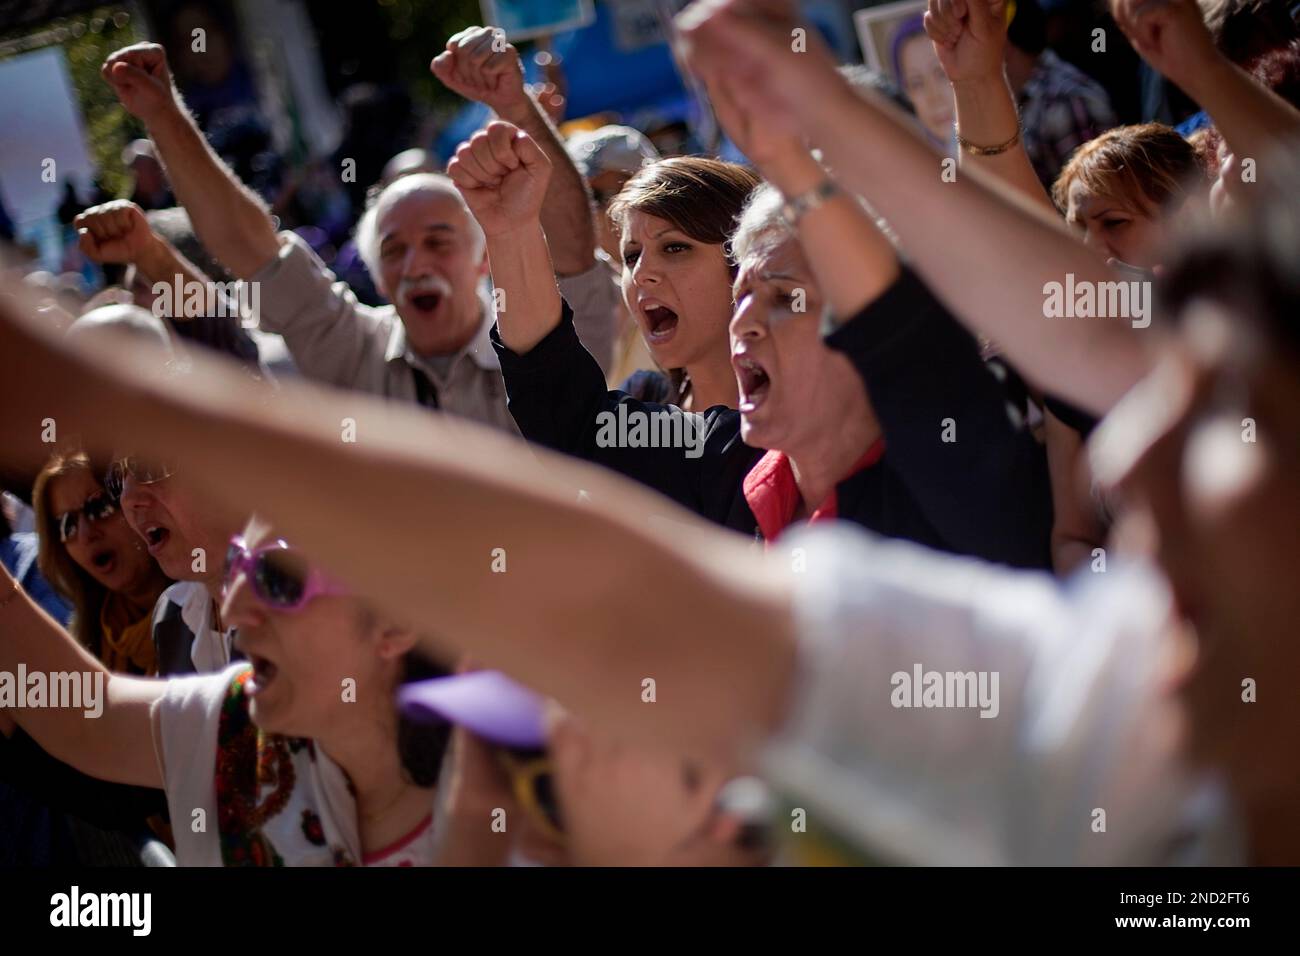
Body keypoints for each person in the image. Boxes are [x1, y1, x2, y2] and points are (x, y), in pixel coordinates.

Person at [98, 40, 613, 426]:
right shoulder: (353, 351)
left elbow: (574, 255)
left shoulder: (546, 346)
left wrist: (517, 108)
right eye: (394, 250)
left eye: (438, 242)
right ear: (375, 276)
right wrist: (161, 113)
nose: (415, 265)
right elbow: (250, 245)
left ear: (484, 261)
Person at [0, 520, 448, 866]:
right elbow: (87, 718)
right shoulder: (240, 725)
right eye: (236, 568)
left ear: (395, 623)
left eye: (277, 578)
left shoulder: (500, 804)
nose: (233, 606)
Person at [32, 451, 171, 674]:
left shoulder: (212, 606)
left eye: (99, 506)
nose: (86, 534)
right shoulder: (83, 651)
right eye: (67, 525)